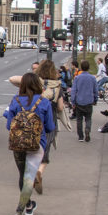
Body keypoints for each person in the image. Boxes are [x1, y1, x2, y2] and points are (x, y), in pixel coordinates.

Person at [4, 72, 56, 215]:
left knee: (23, 176)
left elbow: (8, 125)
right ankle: (18, 214)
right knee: (29, 178)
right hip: (36, 145)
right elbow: (50, 127)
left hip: (17, 145)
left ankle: (28, 205)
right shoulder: (44, 102)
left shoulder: (15, 101)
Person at [33, 59, 70, 194]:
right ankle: (39, 172)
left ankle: (30, 173)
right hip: (50, 122)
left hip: (34, 120)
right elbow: (60, 106)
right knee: (45, 150)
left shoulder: (35, 84)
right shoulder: (57, 86)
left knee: (32, 148)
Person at [71, 59, 96, 142]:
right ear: (88, 68)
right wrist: (95, 99)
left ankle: (80, 136)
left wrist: (73, 101)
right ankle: (87, 129)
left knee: (79, 119)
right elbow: (95, 90)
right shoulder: (92, 78)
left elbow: (74, 90)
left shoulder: (77, 78)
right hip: (89, 101)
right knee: (88, 118)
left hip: (79, 101)